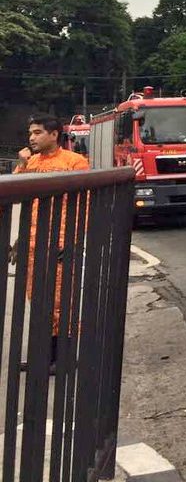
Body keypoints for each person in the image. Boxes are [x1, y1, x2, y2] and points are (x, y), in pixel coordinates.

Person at [12, 115, 89, 373]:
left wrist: (74, 240)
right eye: (30, 133)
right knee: (38, 301)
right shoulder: (30, 162)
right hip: (34, 243)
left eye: (37, 132)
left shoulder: (75, 163)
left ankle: (63, 357)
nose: (31, 138)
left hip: (60, 243)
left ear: (54, 134)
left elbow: (84, 205)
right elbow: (15, 194)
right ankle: (42, 357)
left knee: (60, 301)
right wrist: (22, 166)